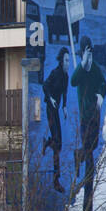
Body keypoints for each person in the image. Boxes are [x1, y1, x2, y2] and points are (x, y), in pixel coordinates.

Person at [70, 37, 106, 211]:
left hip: (95, 121)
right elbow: (73, 80)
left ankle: (80, 154)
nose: (90, 55)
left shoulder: (95, 70)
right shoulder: (82, 71)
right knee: (90, 171)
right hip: (85, 123)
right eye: (87, 52)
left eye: (91, 51)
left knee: (89, 159)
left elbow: (103, 83)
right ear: (82, 53)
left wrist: (101, 94)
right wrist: (83, 63)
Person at [42, 47, 68, 192]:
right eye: (66, 60)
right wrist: (51, 98)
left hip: (57, 110)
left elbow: (65, 91)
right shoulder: (55, 73)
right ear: (61, 61)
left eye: (69, 60)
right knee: (58, 144)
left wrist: (64, 106)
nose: (68, 63)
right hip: (50, 109)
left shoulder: (66, 76)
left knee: (60, 143)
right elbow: (45, 85)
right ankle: (56, 180)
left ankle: (47, 142)